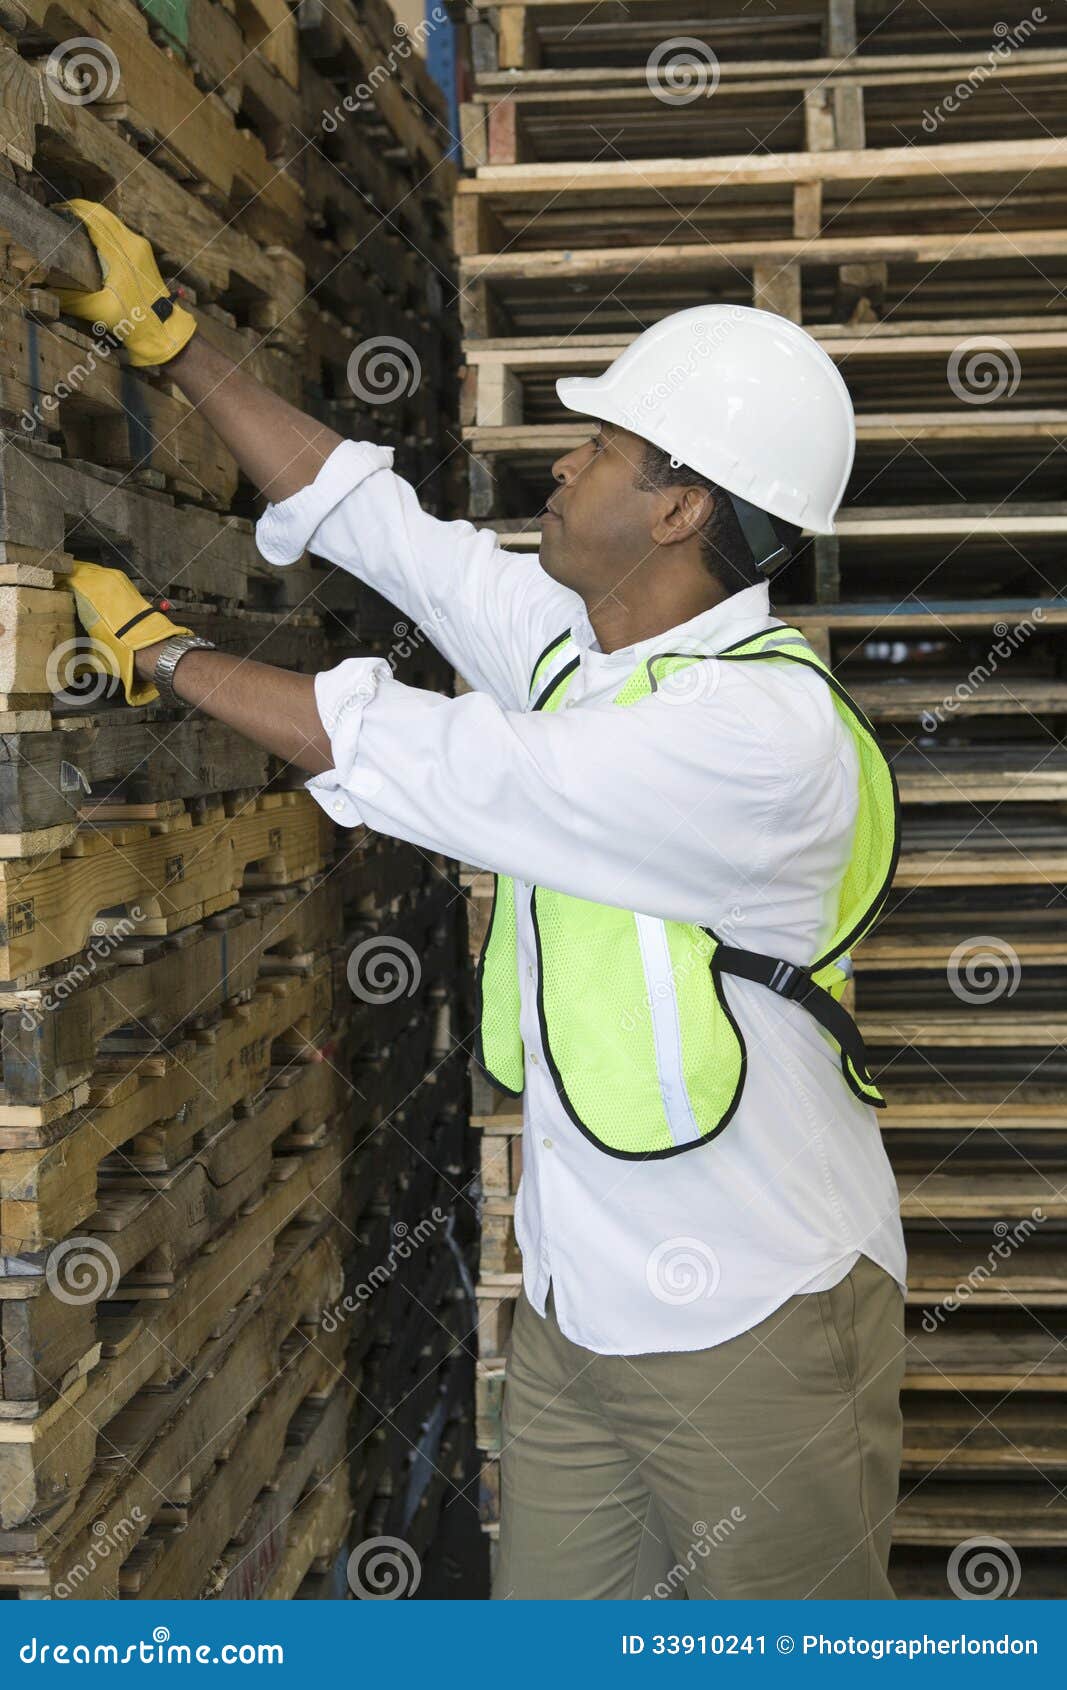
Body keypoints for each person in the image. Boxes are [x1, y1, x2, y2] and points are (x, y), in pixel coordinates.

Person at [57, 201, 907, 1601]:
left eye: (603, 450)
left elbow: (438, 758)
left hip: (761, 1311)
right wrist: (173, 340)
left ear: (680, 508)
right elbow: (392, 537)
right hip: (581, 1307)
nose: (565, 466)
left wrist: (165, 652)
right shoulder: (599, 651)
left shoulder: (757, 736)